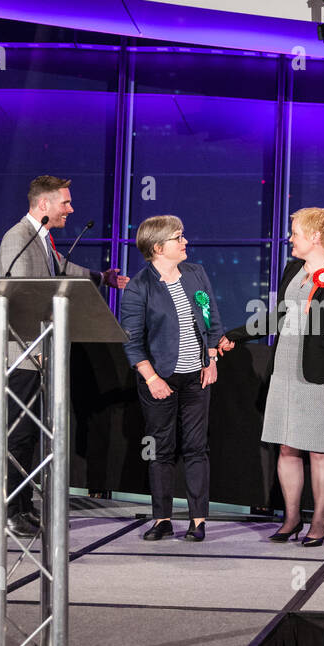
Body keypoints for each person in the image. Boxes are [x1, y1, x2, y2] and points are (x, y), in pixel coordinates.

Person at [218, 208, 324, 547]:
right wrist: (237, 334)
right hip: (285, 370)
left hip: (321, 376)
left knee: (320, 451)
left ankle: (320, 521)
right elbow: (279, 317)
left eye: (295, 233)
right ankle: (291, 518)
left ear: (315, 236)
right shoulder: (292, 270)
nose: (290, 238)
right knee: (287, 447)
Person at [0, 175, 127, 539]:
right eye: (65, 203)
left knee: (30, 437)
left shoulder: (40, 237)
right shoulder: (18, 238)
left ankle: (24, 507)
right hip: (25, 356)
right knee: (19, 437)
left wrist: (102, 278)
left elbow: (62, 267)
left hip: (39, 355)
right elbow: (22, 299)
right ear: (44, 205)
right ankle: (10, 512)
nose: (70, 209)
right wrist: (37, 350)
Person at [120, 216, 222, 541]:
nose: (185, 242)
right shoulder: (139, 286)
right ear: (158, 247)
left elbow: (210, 317)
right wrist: (152, 379)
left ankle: (198, 520)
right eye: (178, 238)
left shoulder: (196, 273)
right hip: (160, 379)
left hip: (196, 377)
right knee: (160, 449)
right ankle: (162, 519)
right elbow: (132, 342)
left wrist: (211, 358)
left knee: (196, 447)